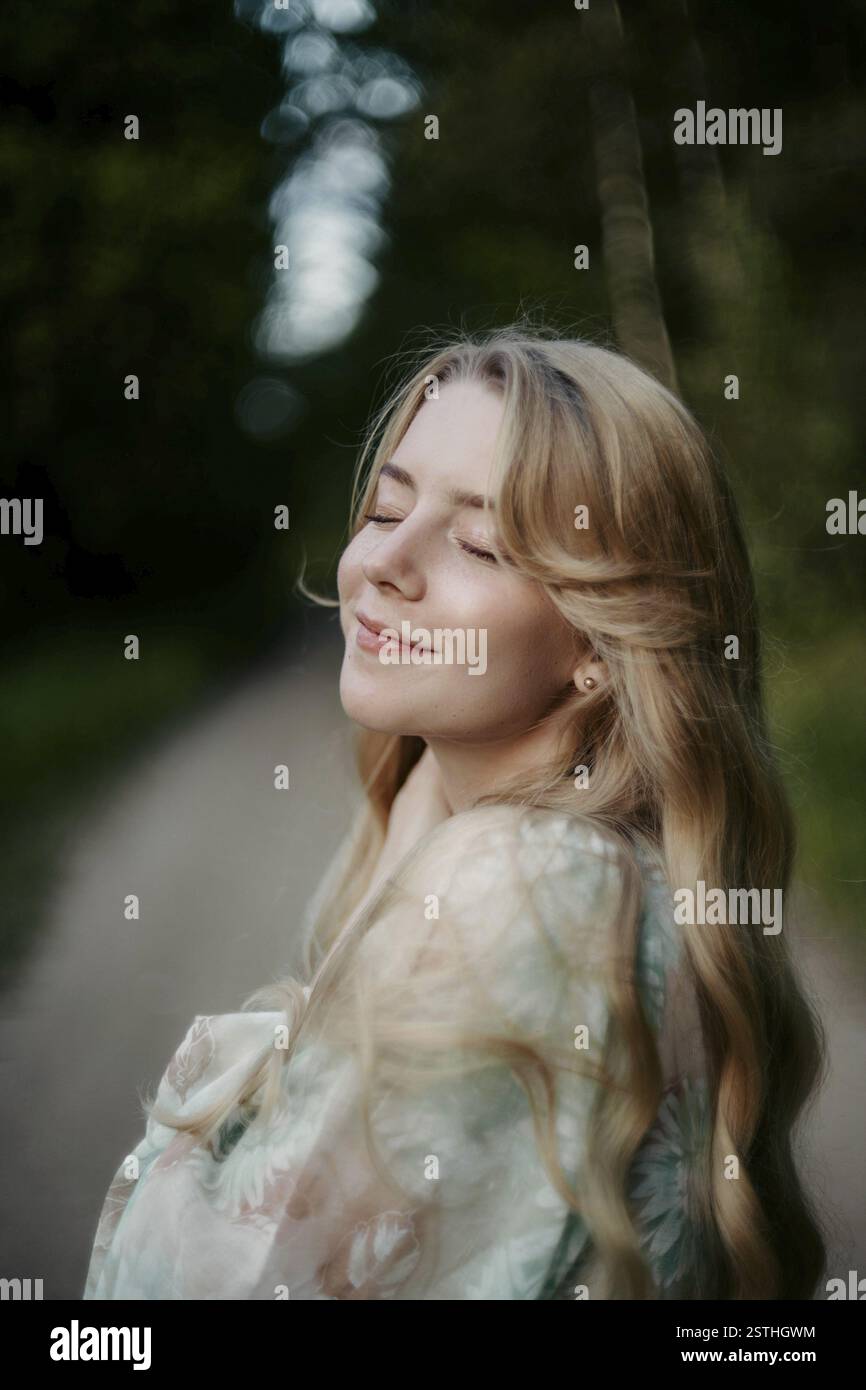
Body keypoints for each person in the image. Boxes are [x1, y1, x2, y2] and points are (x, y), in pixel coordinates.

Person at [84, 326, 826, 1299]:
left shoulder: (527, 885)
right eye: (385, 507)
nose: (384, 560)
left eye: (478, 542)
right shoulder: (609, 870)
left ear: (599, 643)